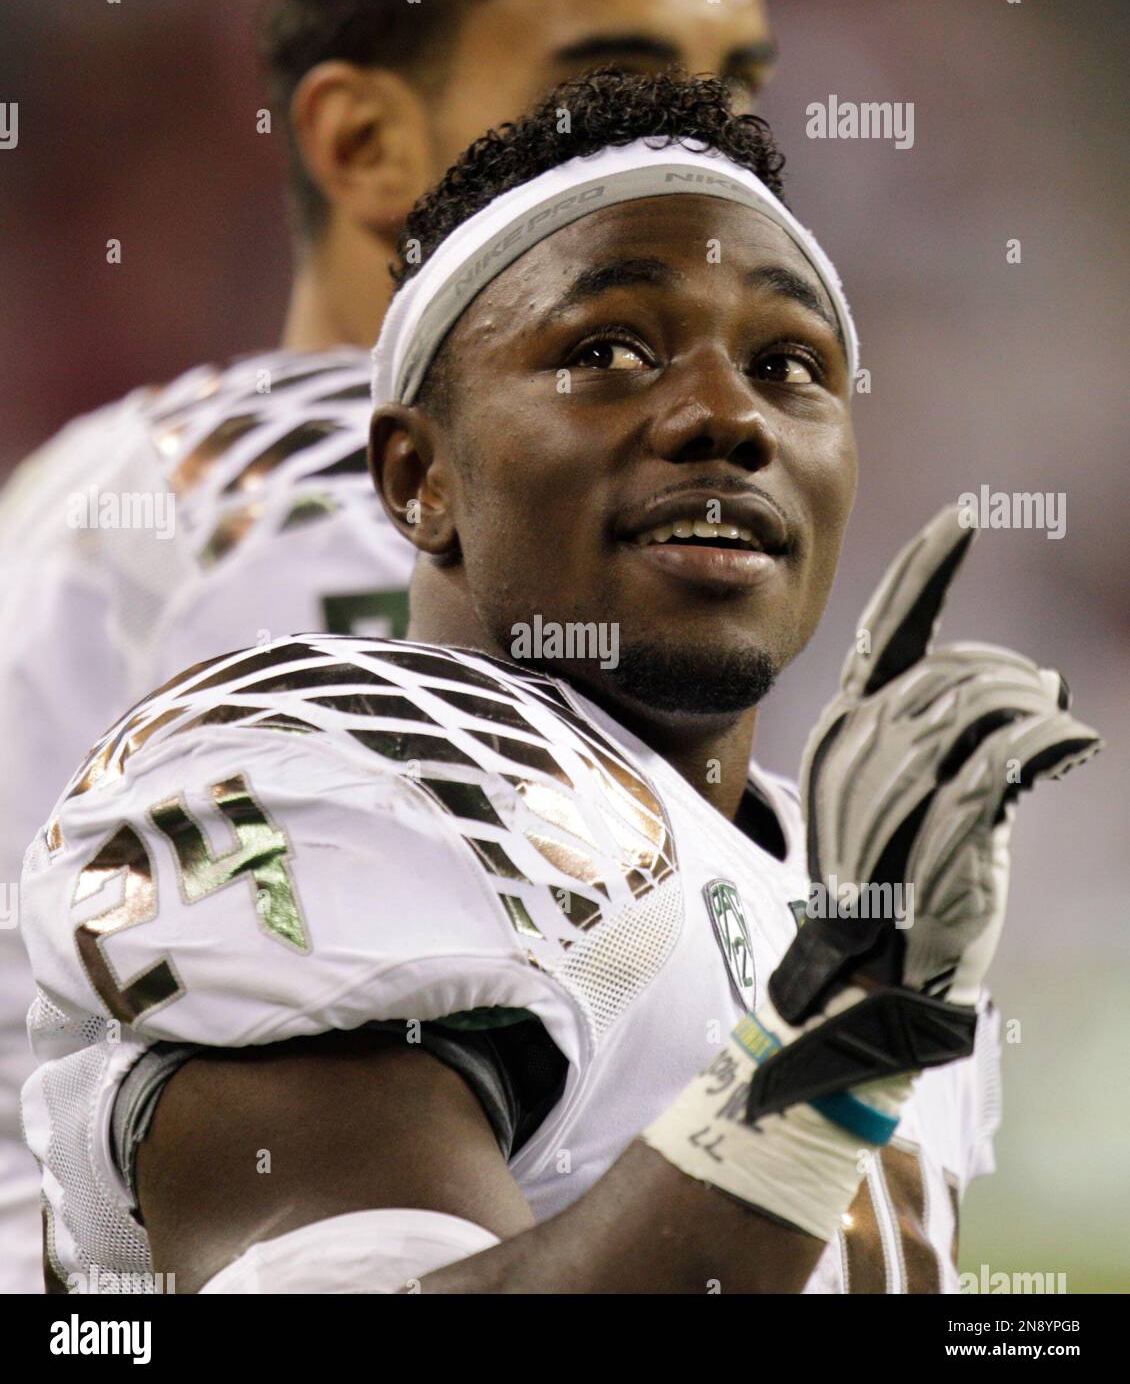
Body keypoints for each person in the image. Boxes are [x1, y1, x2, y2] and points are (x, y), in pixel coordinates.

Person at [18, 73, 1099, 1294]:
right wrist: (826, 1045)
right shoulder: (352, 779)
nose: (724, 417)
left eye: (788, 364)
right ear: (418, 476)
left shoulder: (829, 888)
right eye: (609, 350)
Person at [0, 0, 777, 1291]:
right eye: (617, 81)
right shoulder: (347, 521)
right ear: (363, 142)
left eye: (737, 81)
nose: (701, 146)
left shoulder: (129, 468)